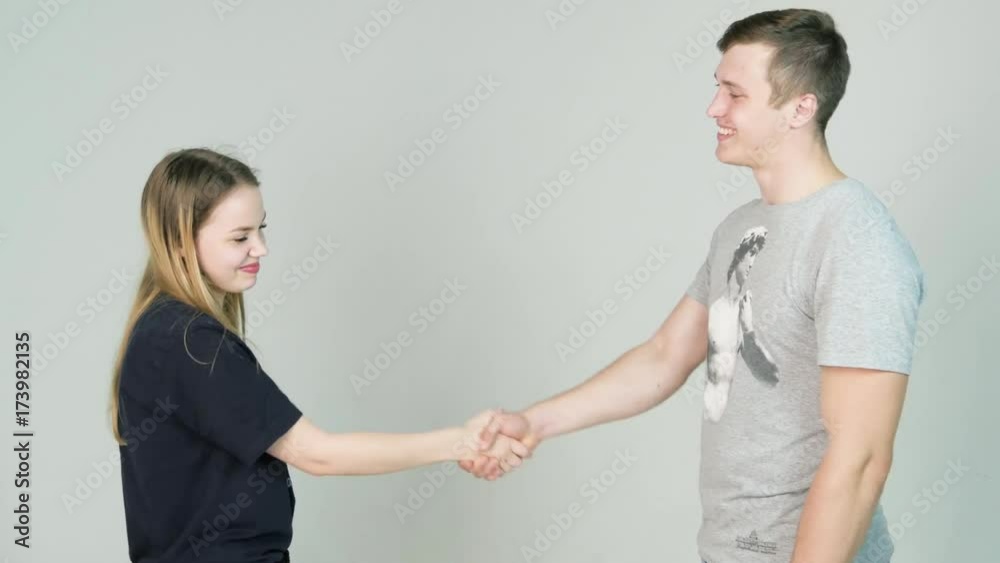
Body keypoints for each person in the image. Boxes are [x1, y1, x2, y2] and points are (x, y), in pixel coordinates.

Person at [461, 9, 924, 563]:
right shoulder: (741, 227)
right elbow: (663, 358)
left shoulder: (855, 239)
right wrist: (533, 422)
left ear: (802, 107)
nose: (714, 109)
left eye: (735, 94)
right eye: (717, 90)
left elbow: (862, 458)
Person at [108, 148, 527, 563]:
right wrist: (462, 441)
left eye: (261, 229)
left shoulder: (165, 331)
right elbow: (317, 452)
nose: (261, 249)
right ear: (180, 242)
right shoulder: (189, 343)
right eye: (240, 237)